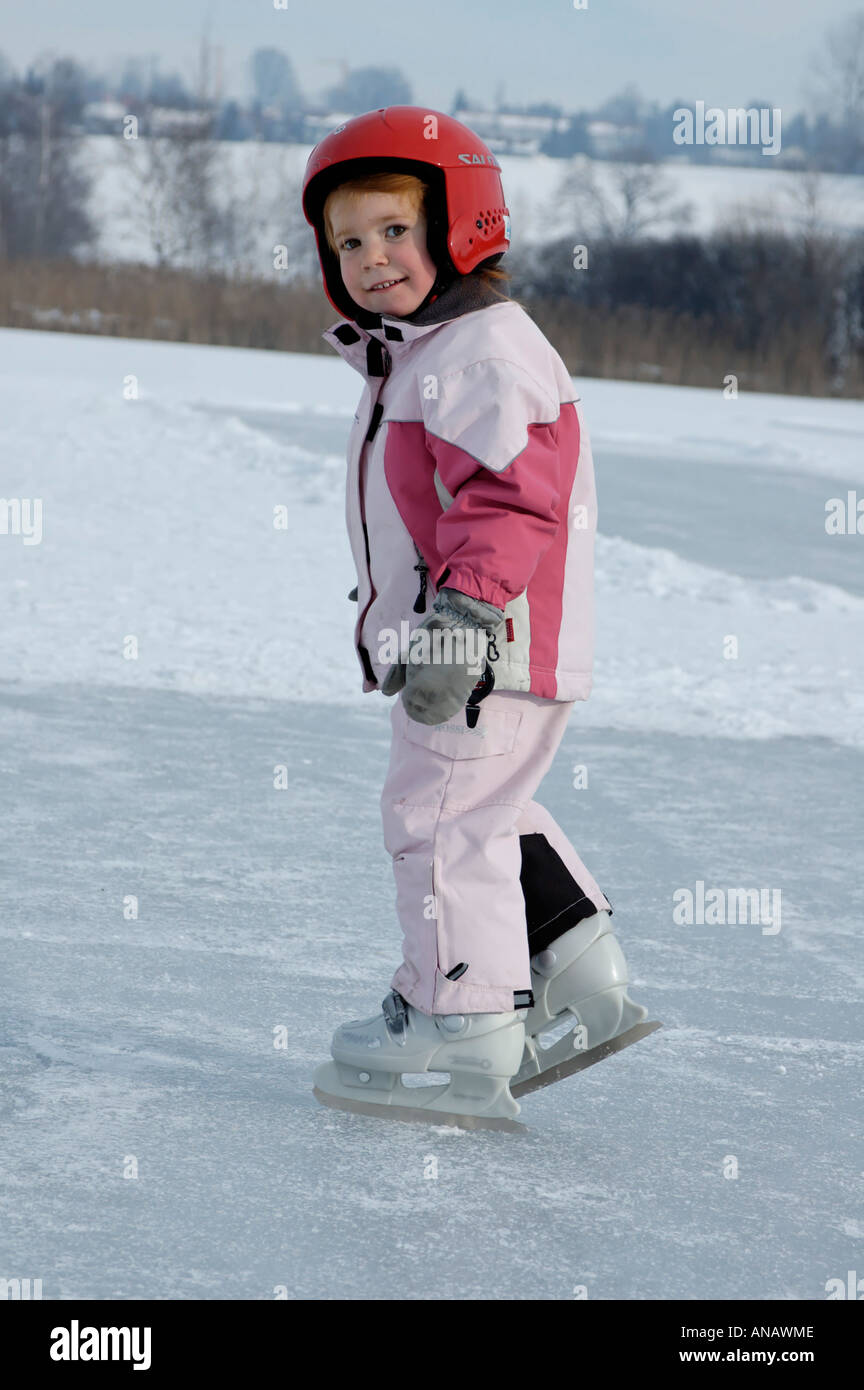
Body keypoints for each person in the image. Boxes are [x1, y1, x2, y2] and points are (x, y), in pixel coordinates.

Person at [302, 107, 656, 1129]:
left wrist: (457, 623)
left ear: (464, 224)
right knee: (486, 806)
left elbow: (509, 499)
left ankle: (456, 1017)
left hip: (476, 647)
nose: (371, 259)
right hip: (499, 646)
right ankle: (575, 959)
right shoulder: (436, 350)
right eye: (349, 243)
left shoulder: (478, 352)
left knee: (436, 817)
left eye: (394, 231)